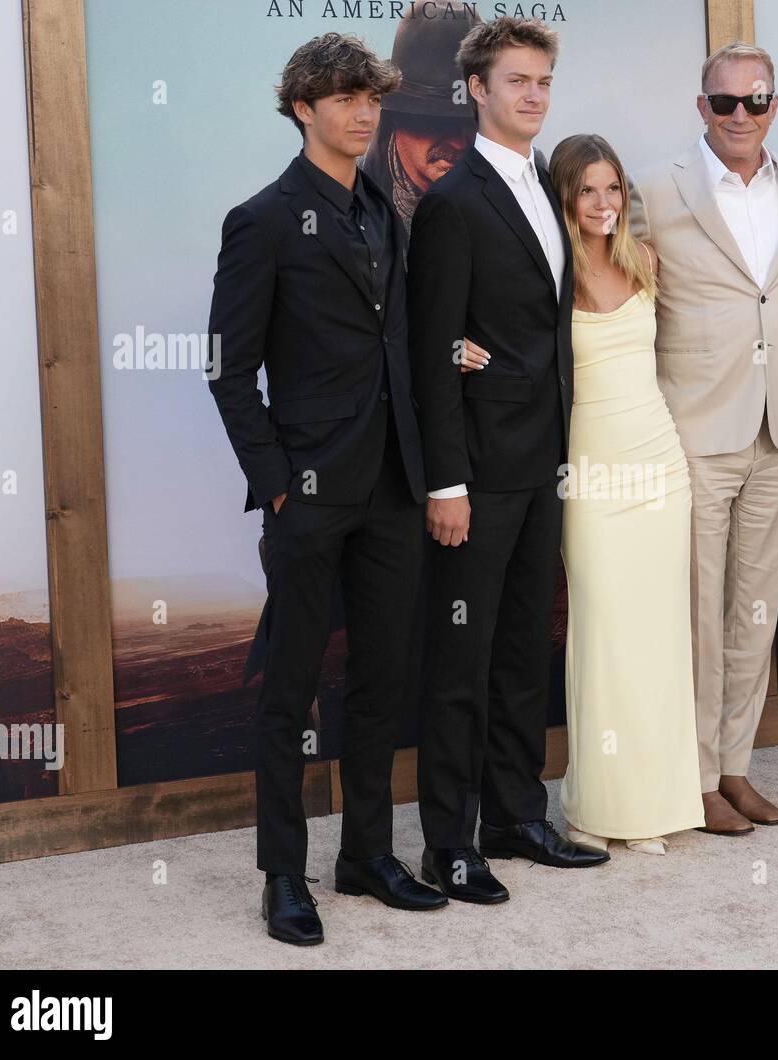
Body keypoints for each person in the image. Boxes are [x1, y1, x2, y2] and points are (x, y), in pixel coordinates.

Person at [207, 33, 448, 947]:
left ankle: (368, 855)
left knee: (386, 677)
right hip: (308, 493)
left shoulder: (385, 209)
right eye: (344, 97)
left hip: (393, 484)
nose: (363, 111)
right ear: (303, 108)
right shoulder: (263, 219)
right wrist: (275, 488)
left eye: (371, 97)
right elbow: (229, 373)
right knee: (291, 689)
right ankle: (282, 878)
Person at [407, 17, 609, 906]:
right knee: (462, 660)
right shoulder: (453, 201)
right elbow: (432, 346)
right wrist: (444, 481)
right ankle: (448, 845)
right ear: (476, 91)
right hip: (477, 477)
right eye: (515, 80)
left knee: (526, 649)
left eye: (543, 81)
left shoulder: (546, 188)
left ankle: (517, 816)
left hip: (544, 467)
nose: (533, 94)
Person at [466, 133, 705, 855]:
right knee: (602, 637)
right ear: (564, 197)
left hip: (660, 466)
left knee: (660, 638)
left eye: (613, 189)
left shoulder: (647, 262)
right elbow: (485, 336)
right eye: (588, 191)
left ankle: (657, 803)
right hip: (588, 474)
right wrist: (456, 349)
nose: (604, 204)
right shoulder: (550, 275)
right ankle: (599, 807)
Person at [629, 43, 778, 836]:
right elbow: (625, 299)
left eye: (757, 100)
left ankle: (737, 766)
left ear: (775, 104)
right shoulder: (654, 189)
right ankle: (696, 774)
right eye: (727, 101)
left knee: (755, 608)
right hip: (697, 426)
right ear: (701, 106)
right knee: (700, 612)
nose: (743, 115)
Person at [360, 1, 479, 245]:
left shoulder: (524, 185)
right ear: (395, 117)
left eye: (472, 121)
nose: (458, 141)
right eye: (438, 121)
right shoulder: (348, 203)